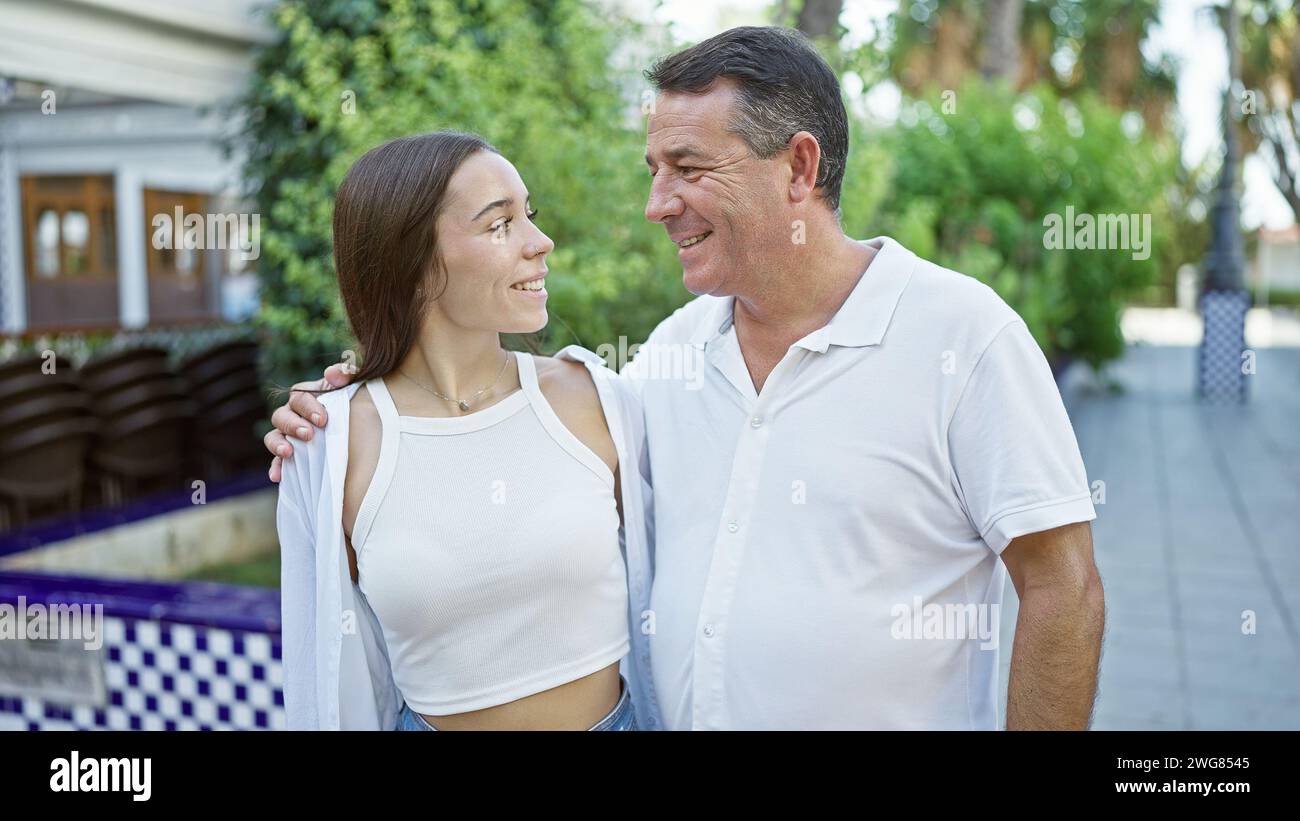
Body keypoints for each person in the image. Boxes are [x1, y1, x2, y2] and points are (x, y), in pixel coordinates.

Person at [266, 27, 1104, 730]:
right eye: (652, 169)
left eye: (690, 168)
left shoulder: (963, 335)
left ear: (798, 170)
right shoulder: (664, 357)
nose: (657, 203)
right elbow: (502, 460)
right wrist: (359, 396)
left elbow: (1062, 585)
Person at [273, 130, 657, 730]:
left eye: (528, 215)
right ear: (416, 264)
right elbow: (324, 673)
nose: (541, 242)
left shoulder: (596, 400)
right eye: (500, 225)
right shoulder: (330, 443)